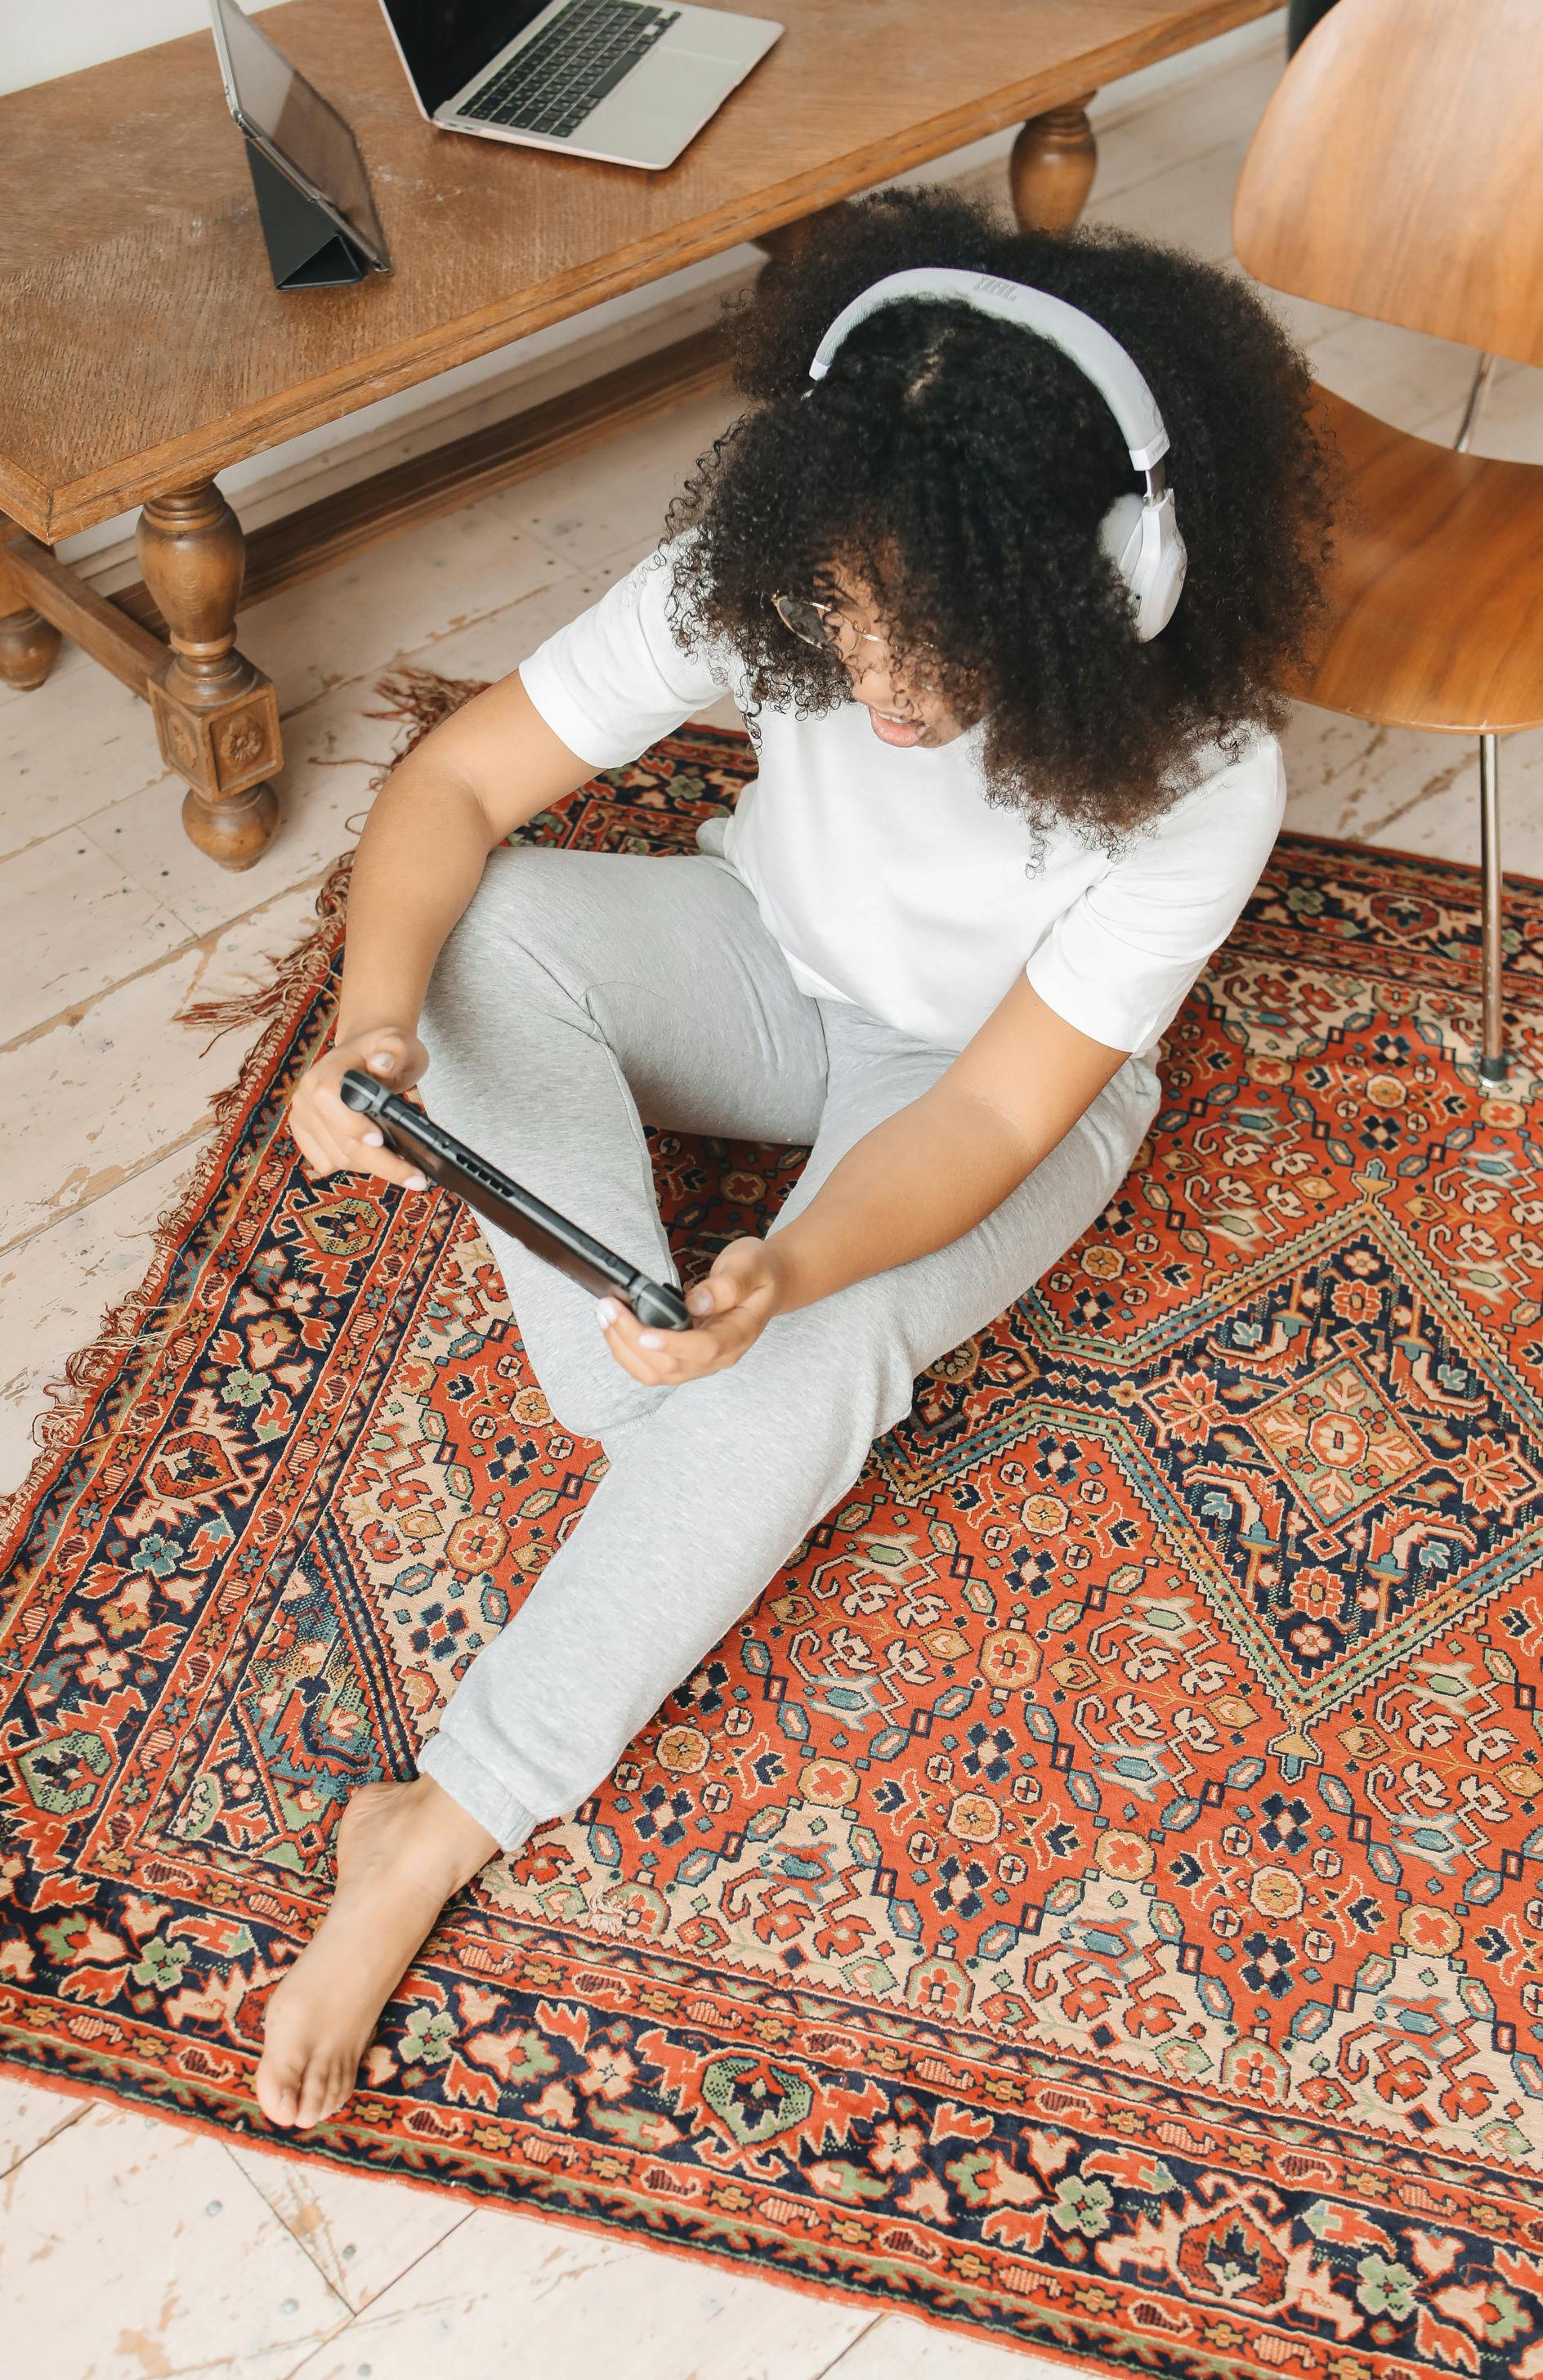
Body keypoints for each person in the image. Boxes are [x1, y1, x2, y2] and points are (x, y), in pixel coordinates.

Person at [254, 183, 1333, 2129]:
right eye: (847, 617)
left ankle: (438, 1816)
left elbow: (999, 1109)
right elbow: (456, 784)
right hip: (761, 953)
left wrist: (803, 1269)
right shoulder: (768, 580)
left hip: (1007, 1082)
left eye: (947, 638)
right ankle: (651, 1393)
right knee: (485, 935)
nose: (888, 685)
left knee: (809, 1347)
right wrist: (376, 1020)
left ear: (1112, 584)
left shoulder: (1206, 772)